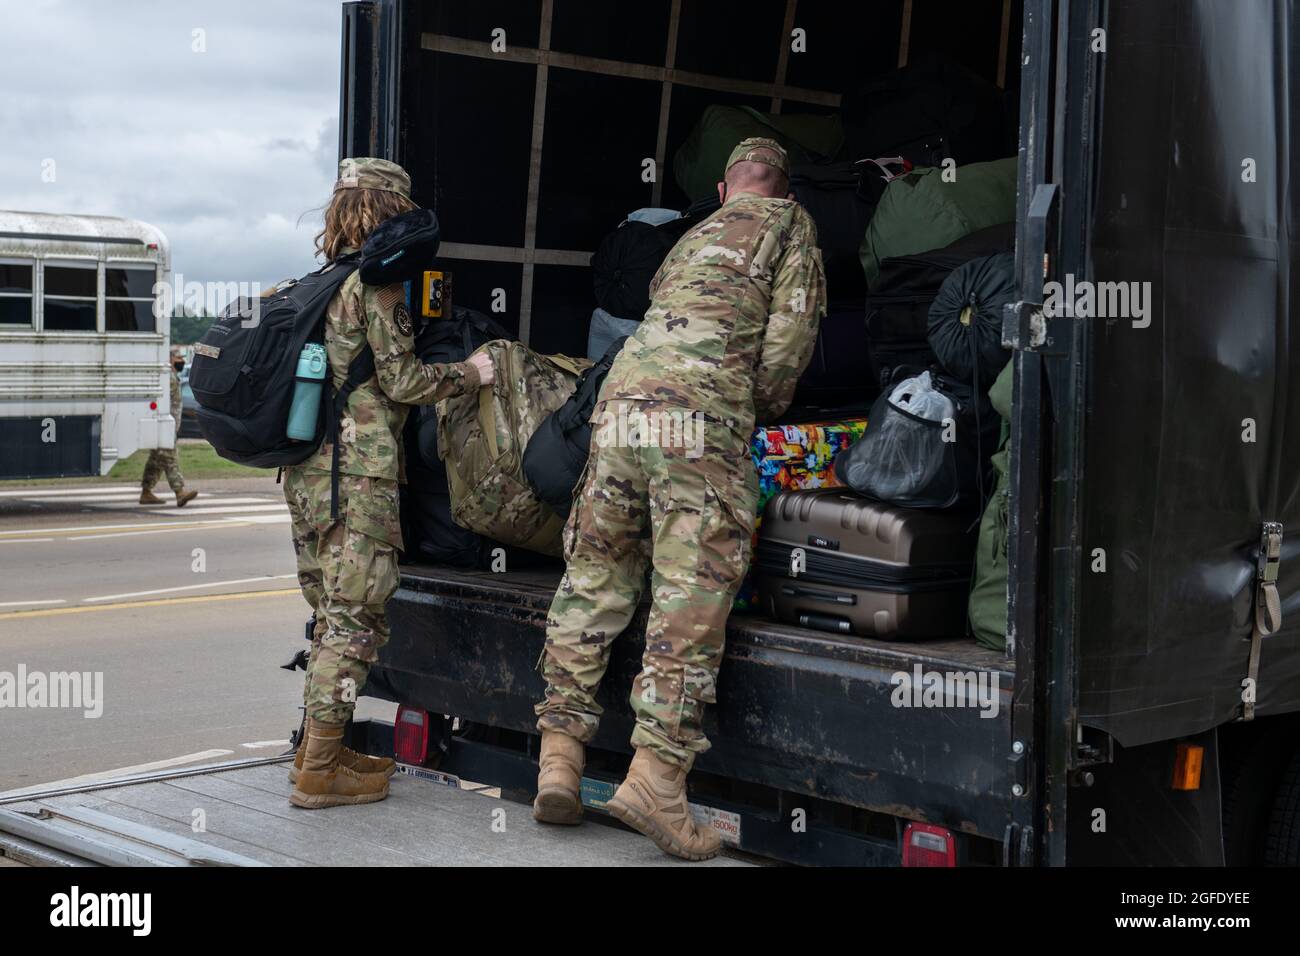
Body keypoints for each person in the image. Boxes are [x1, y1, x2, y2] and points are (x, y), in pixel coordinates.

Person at [533, 138, 825, 859]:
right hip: (698, 420)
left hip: (622, 409)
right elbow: (789, 341)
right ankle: (656, 782)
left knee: (594, 576)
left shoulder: (693, 230)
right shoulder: (793, 226)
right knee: (689, 595)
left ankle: (560, 759)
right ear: (781, 189)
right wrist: (749, 403)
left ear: (727, 189)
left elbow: (654, 310)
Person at [284, 157, 494, 810]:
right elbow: (402, 382)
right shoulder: (374, 287)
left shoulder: (313, 285)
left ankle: (322, 751)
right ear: (389, 212)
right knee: (353, 624)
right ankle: (319, 769)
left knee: (329, 618)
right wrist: (472, 374)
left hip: (306, 478)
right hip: (357, 478)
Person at [139, 347, 198, 507]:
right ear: (170, 359)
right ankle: (180, 492)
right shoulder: (168, 378)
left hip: (169, 424)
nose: (181, 361)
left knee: (156, 460)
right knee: (170, 457)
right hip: (164, 424)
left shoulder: (171, 376)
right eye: (178, 357)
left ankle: (146, 492)